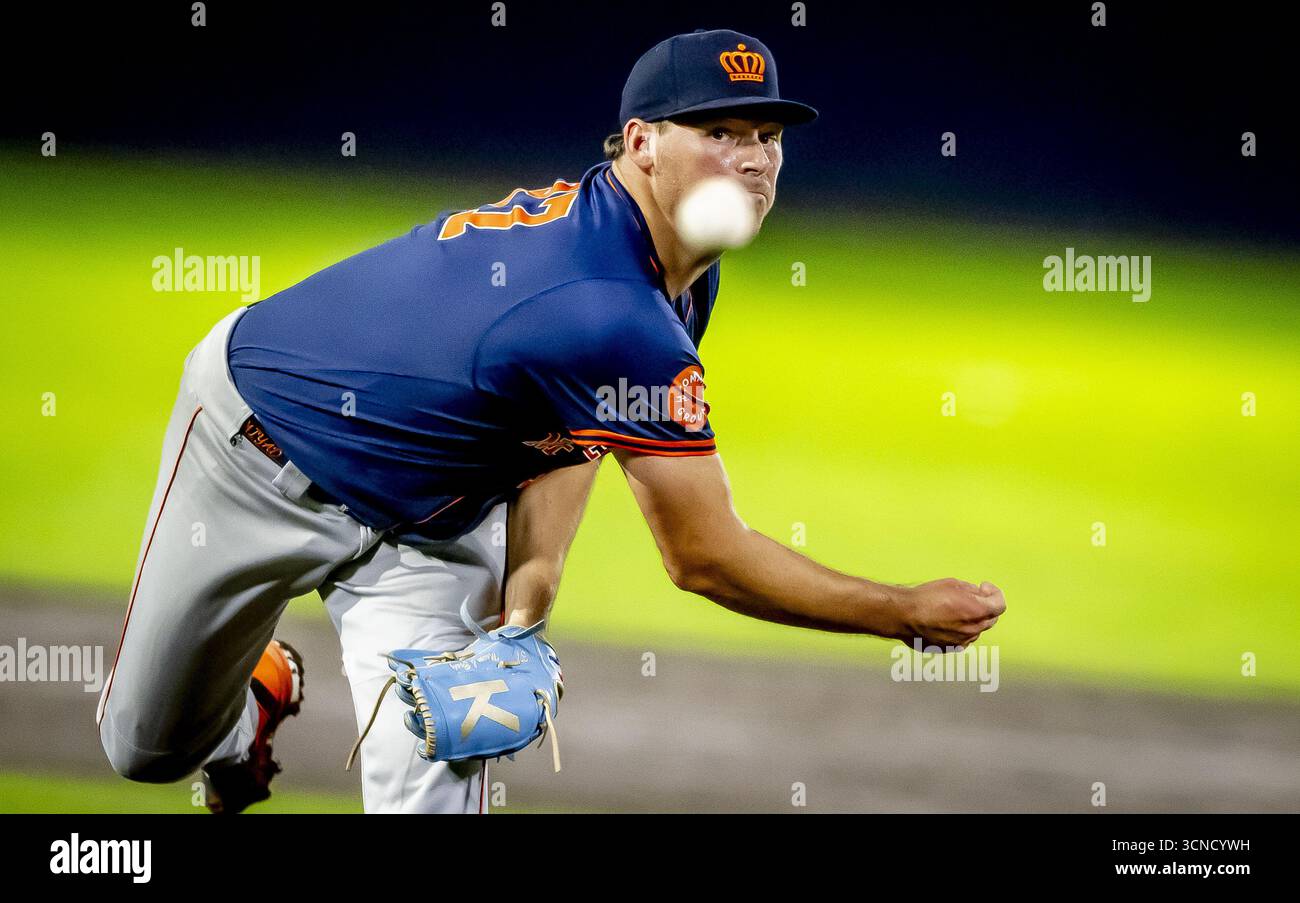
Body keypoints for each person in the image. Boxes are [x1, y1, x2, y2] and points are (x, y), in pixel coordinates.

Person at [97, 27, 1005, 815]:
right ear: (642, 141)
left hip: (437, 523)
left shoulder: (675, 270)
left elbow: (571, 427)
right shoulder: (608, 302)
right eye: (720, 131)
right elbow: (703, 555)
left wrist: (521, 613)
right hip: (257, 448)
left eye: (767, 135)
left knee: (439, 780)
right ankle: (250, 696)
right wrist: (901, 612)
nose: (755, 158)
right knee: (145, 752)